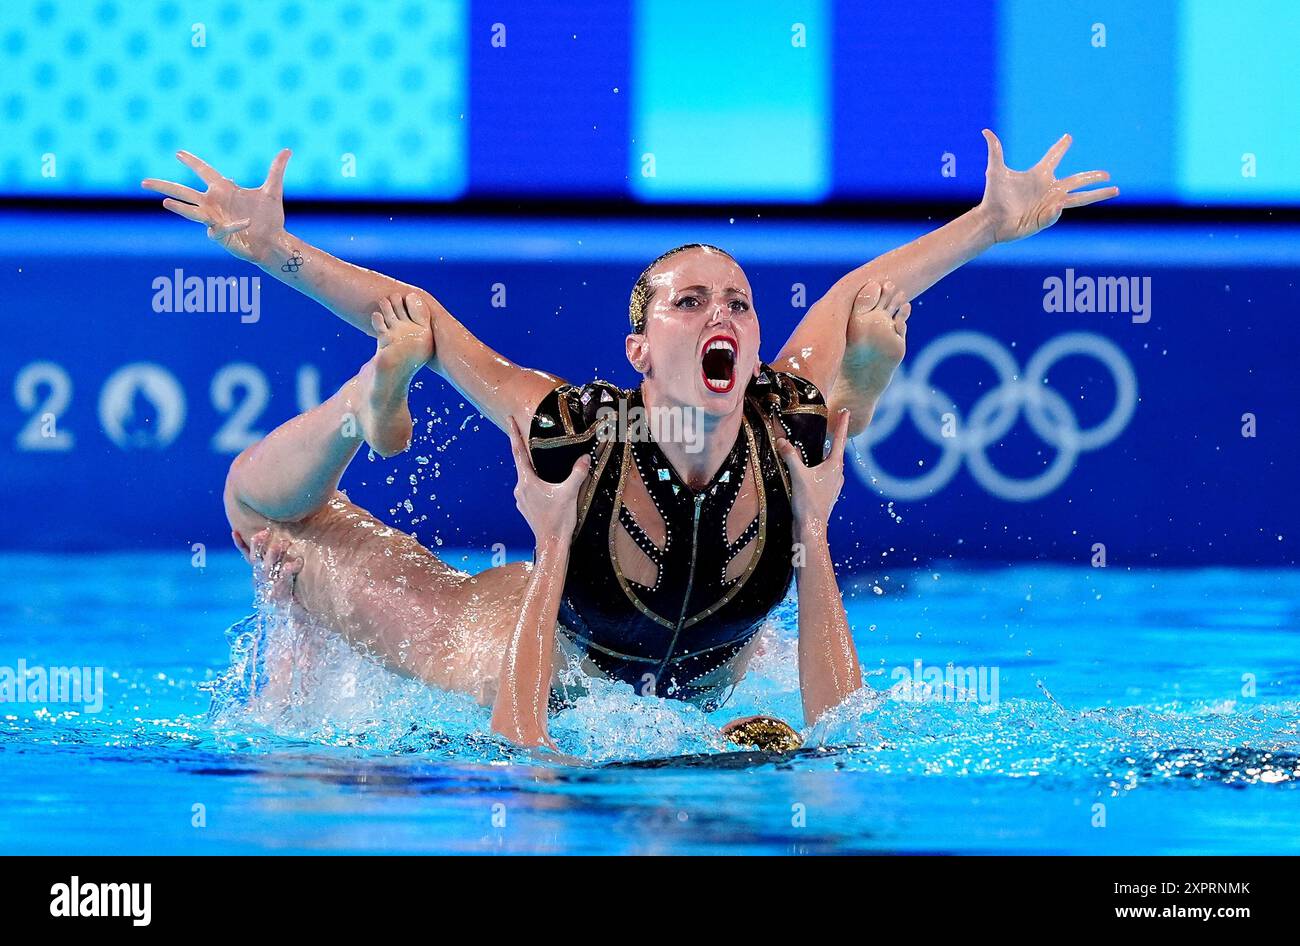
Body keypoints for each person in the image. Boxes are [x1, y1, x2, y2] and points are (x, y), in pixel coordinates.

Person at [141, 131, 1116, 749]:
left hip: (700, 683)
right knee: (266, 517)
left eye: (734, 300)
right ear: (640, 348)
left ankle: (371, 417)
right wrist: (274, 251)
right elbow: (426, 322)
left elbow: (840, 737)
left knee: (849, 381)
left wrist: (987, 226)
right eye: (689, 302)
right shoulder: (576, 429)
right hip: (514, 652)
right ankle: (364, 408)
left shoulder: (784, 423)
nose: (718, 312)